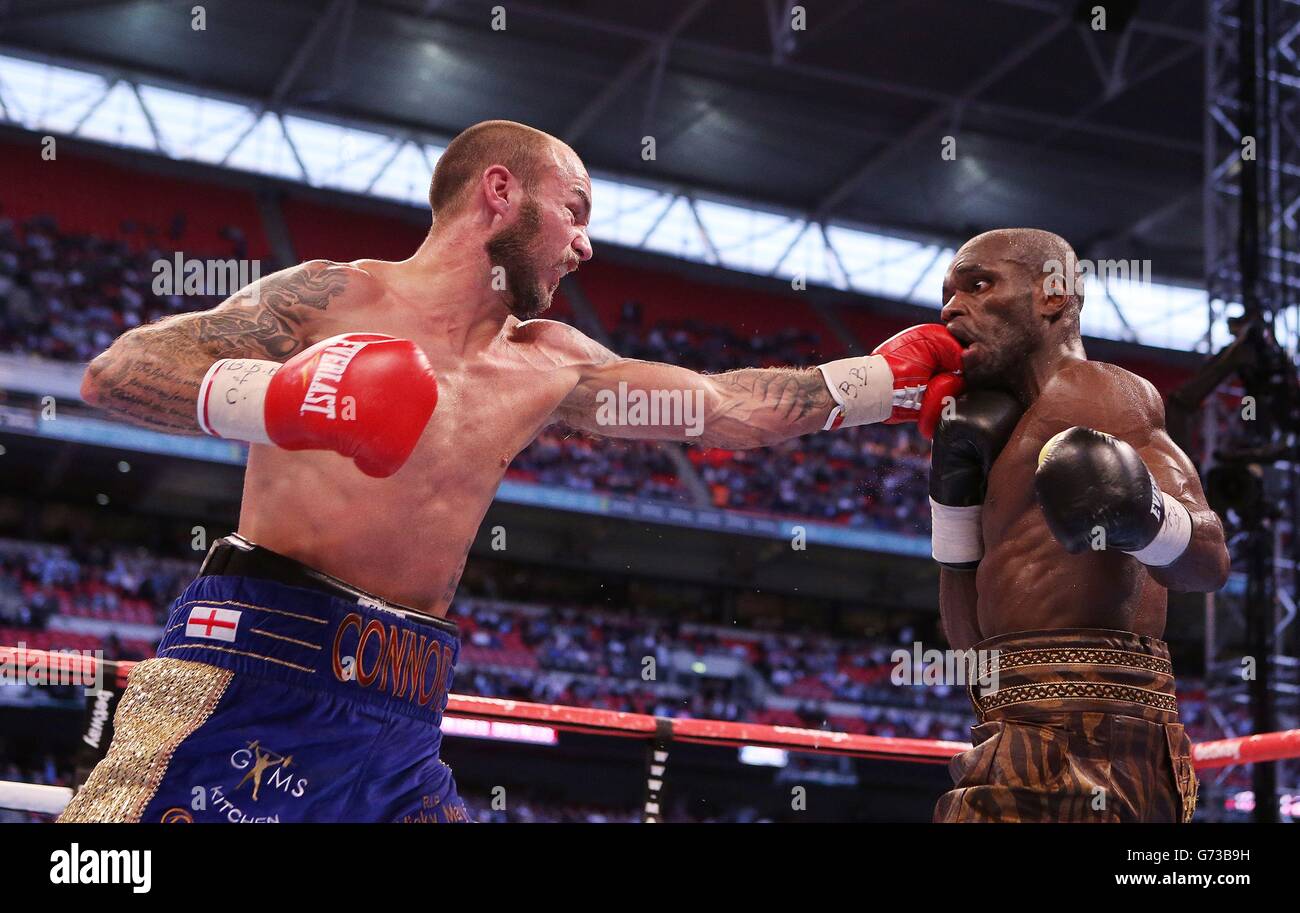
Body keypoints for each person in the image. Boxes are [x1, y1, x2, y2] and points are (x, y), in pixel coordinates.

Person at [61, 119, 962, 823]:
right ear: (502, 191)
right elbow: (118, 371)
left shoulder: (551, 361)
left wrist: (877, 382)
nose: (586, 246)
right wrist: (288, 398)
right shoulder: (334, 295)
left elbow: (724, 410)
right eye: (576, 208)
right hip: (257, 661)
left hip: (402, 712)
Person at [928, 228, 1231, 823]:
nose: (951, 308)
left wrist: (1143, 515)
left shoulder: (1098, 393)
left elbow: (1209, 560)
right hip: (1009, 712)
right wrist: (952, 506)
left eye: (979, 284)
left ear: (1053, 296)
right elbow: (973, 649)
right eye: (947, 294)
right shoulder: (983, 429)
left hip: (1096, 727)